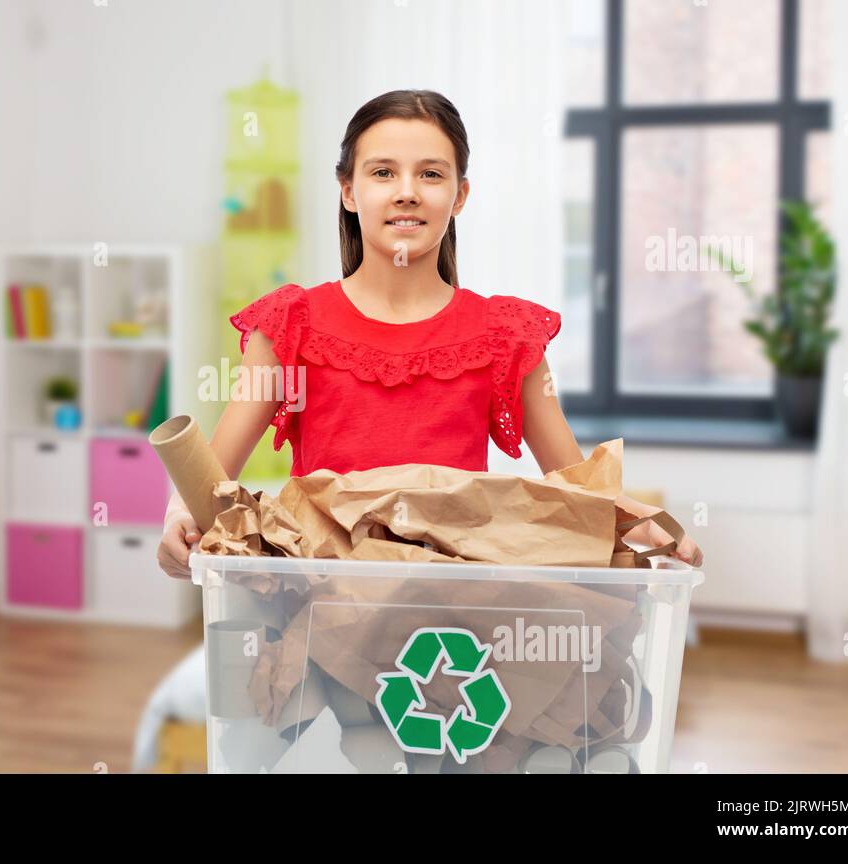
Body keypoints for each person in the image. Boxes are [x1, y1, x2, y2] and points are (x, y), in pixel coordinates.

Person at [158, 89, 703, 579]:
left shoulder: (505, 335)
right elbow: (211, 479)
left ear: (460, 196)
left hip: (455, 611)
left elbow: (574, 486)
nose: (407, 192)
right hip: (321, 608)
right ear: (348, 192)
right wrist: (180, 518)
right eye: (382, 173)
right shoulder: (289, 326)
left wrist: (642, 527)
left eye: (431, 174)